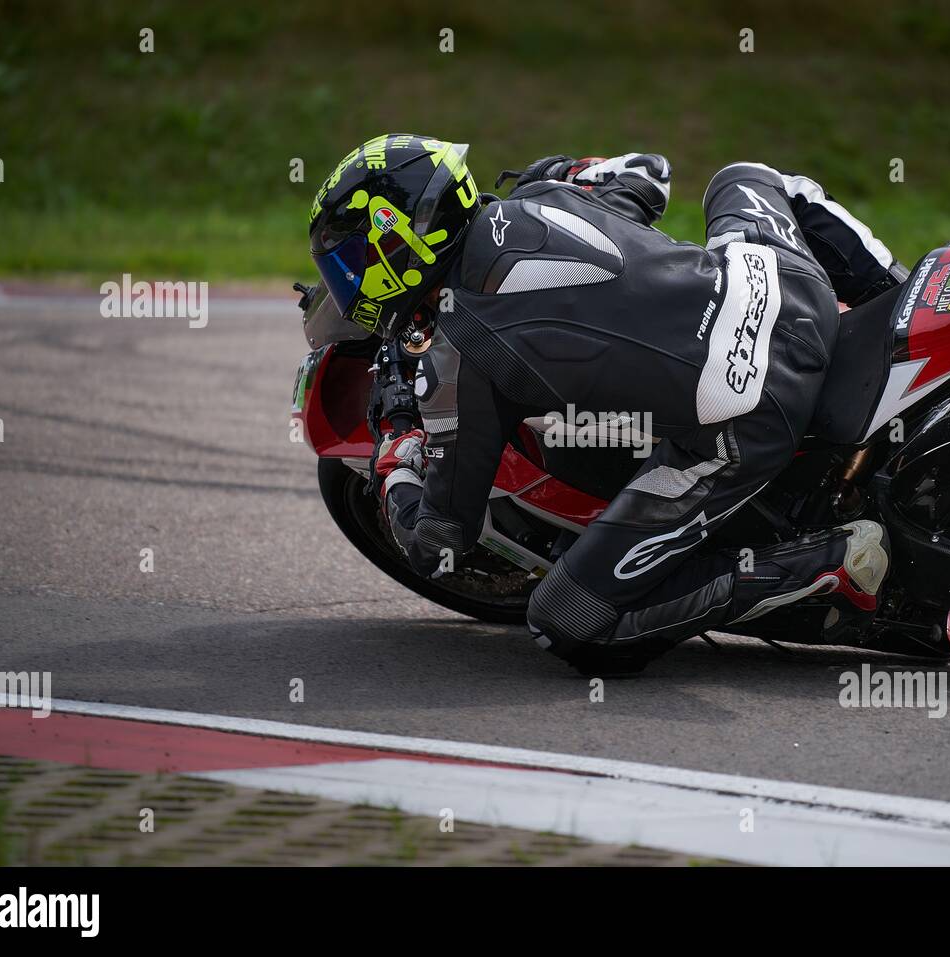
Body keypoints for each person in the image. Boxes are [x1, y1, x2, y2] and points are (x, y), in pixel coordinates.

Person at [308, 134, 906, 675]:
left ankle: (828, 564)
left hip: (751, 407)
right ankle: (903, 306)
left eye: (352, 262)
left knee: (567, 621)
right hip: (786, 286)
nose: (349, 281)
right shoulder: (543, 198)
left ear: (396, 237)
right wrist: (570, 169)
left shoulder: (457, 357)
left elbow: (438, 540)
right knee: (746, 174)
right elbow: (648, 172)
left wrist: (397, 454)